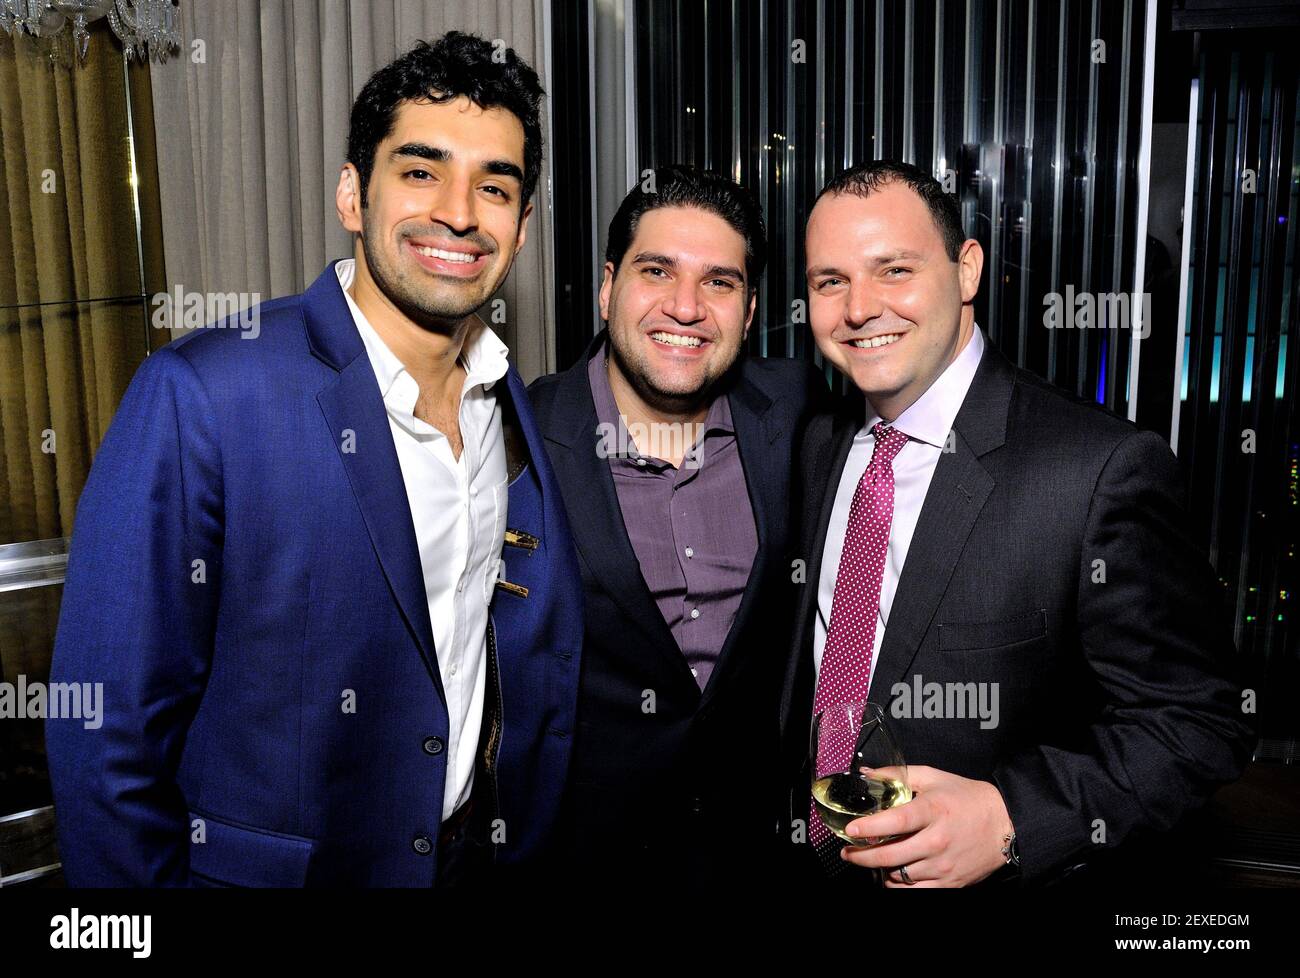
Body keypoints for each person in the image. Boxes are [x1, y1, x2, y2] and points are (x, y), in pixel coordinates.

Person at [45, 32, 582, 888]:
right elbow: (106, 736)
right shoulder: (205, 394)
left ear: (520, 228)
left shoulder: (508, 401)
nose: (457, 210)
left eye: (495, 186)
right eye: (419, 170)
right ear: (351, 194)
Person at [777, 160, 1256, 888]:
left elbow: (1199, 724)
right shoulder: (820, 443)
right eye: (829, 282)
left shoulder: (1098, 471)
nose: (859, 308)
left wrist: (1011, 819)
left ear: (966, 270)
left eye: (894, 270)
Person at [528, 165, 827, 886]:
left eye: (719, 283)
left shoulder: (797, 413)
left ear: (750, 311)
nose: (685, 307)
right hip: (579, 859)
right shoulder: (522, 436)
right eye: (657, 271)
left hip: (757, 855)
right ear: (607, 288)